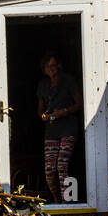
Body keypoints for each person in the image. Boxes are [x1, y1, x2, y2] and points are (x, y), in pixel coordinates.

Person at [35, 52, 82, 203]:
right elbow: (40, 109)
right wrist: (43, 116)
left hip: (68, 127)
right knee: (49, 170)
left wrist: (64, 112)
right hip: (51, 130)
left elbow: (79, 104)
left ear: (59, 66)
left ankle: (69, 201)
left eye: (54, 65)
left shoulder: (68, 80)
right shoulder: (43, 84)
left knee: (62, 165)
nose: (52, 69)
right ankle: (57, 201)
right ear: (44, 68)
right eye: (48, 66)